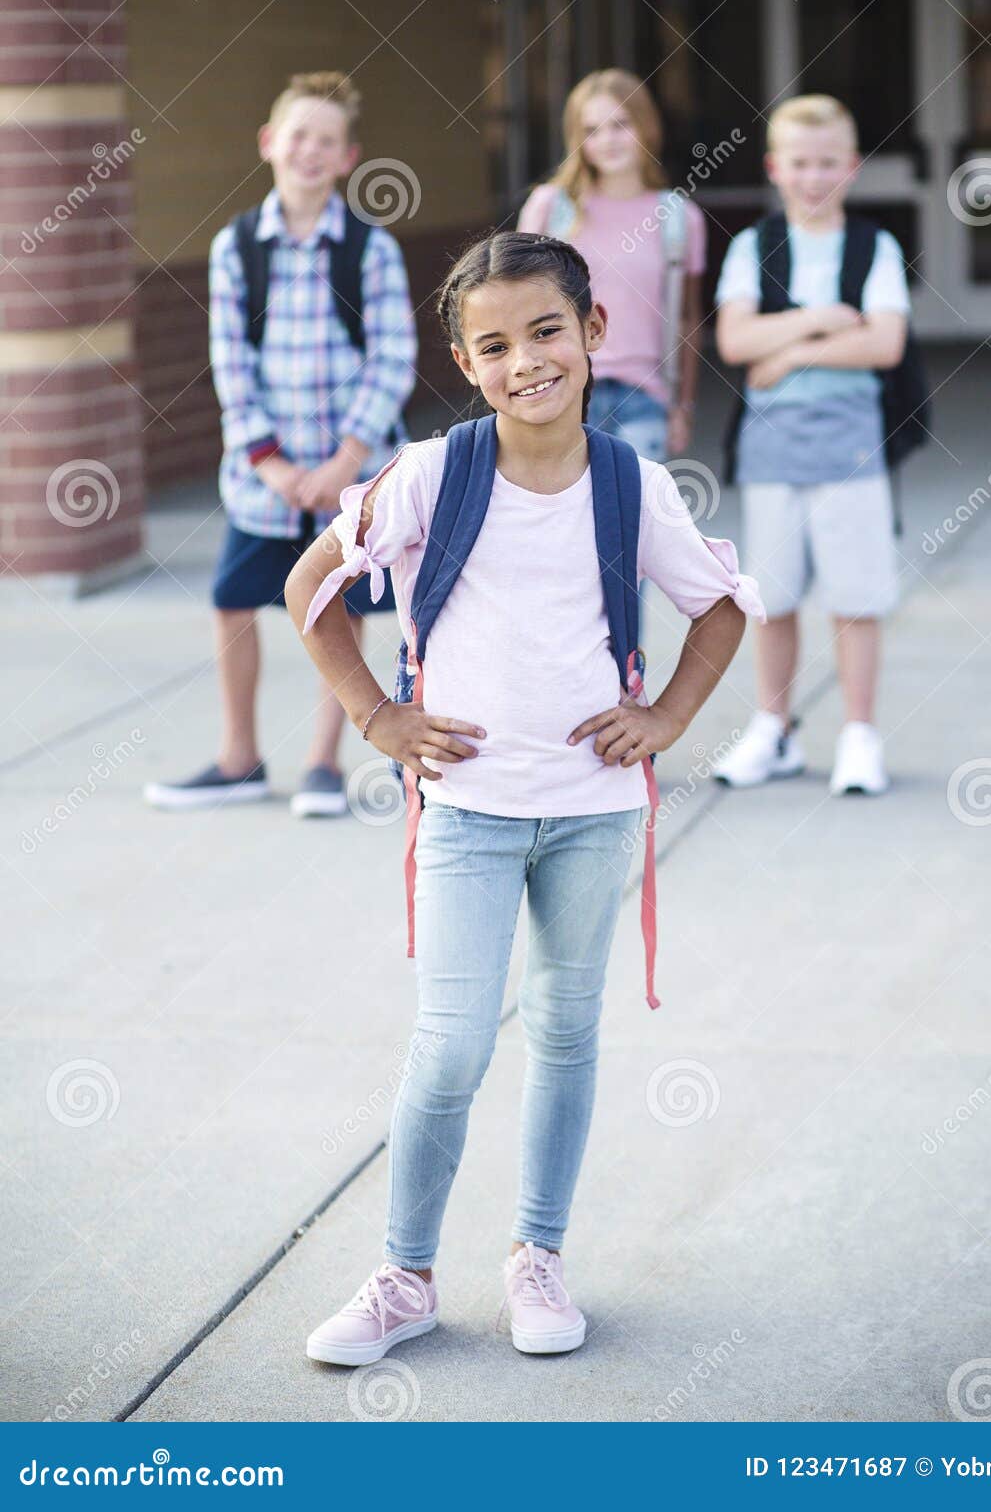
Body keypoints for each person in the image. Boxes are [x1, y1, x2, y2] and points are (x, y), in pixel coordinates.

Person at [284, 230, 764, 1365]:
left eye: (546, 331)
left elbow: (720, 604)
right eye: (493, 345)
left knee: (563, 1028)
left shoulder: (630, 485)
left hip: (594, 811)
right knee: (449, 1044)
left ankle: (536, 1256)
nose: (525, 361)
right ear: (464, 360)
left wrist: (666, 721)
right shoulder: (431, 475)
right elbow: (311, 585)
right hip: (467, 813)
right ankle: (403, 1276)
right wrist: (375, 717)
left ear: (594, 333)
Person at [144, 71, 416, 819]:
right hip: (265, 474)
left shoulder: (370, 250)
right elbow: (230, 361)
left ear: (347, 157)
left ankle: (324, 759)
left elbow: (392, 359)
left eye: (326, 141)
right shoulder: (238, 247)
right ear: (269, 143)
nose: (309, 150)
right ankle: (240, 757)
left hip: (348, 472)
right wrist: (273, 465)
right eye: (297, 135)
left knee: (342, 603)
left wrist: (344, 464)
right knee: (235, 601)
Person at [713, 95, 910, 797]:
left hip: (850, 444)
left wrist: (788, 352)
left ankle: (859, 734)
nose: (813, 176)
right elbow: (735, 341)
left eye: (827, 162)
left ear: (851, 168)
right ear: (774, 168)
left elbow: (883, 343)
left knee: (855, 597)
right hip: (772, 449)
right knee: (773, 598)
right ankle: (774, 729)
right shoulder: (753, 247)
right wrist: (826, 322)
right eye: (799, 163)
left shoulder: (873, 248)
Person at [517, 68, 706, 462]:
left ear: (646, 127)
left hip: (645, 398)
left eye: (620, 124)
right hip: (561, 393)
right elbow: (517, 310)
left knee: (629, 520)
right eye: (592, 129)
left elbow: (688, 320)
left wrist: (682, 407)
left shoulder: (678, 217)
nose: (607, 141)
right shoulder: (550, 208)